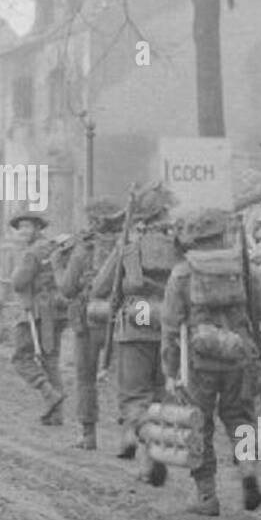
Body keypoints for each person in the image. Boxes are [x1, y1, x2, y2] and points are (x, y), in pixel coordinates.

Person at [161, 209, 261, 515]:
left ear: (194, 238)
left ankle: (206, 496)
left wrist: (170, 370)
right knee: (239, 419)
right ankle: (248, 469)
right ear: (223, 235)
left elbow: (171, 326)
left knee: (198, 426)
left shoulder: (182, 272)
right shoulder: (241, 268)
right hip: (240, 357)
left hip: (199, 361)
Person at [90, 184, 178, 480]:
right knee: (159, 395)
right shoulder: (179, 245)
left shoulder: (129, 246)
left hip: (136, 324)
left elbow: (101, 287)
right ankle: (151, 458)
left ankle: (150, 442)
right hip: (170, 325)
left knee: (132, 397)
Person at [54, 198, 125, 450]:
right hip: (119, 321)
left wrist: (58, 266)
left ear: (95, 222)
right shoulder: (125, 245)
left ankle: (88, 434)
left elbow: (67, 288)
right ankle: (128, 436)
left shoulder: (83, 249)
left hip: (87, 319)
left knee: (86, 377)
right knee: (125, 379)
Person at [9, 211, 68, 425]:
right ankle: (56, 414)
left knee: (20, 358)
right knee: (50, 360)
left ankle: (49, 394)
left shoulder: (32, 253)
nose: (23, 231)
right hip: (57, 311)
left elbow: (18, 282)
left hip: (37, 312)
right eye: (21, 227)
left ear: (37, 228)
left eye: (27, 227)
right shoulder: (53, 247)